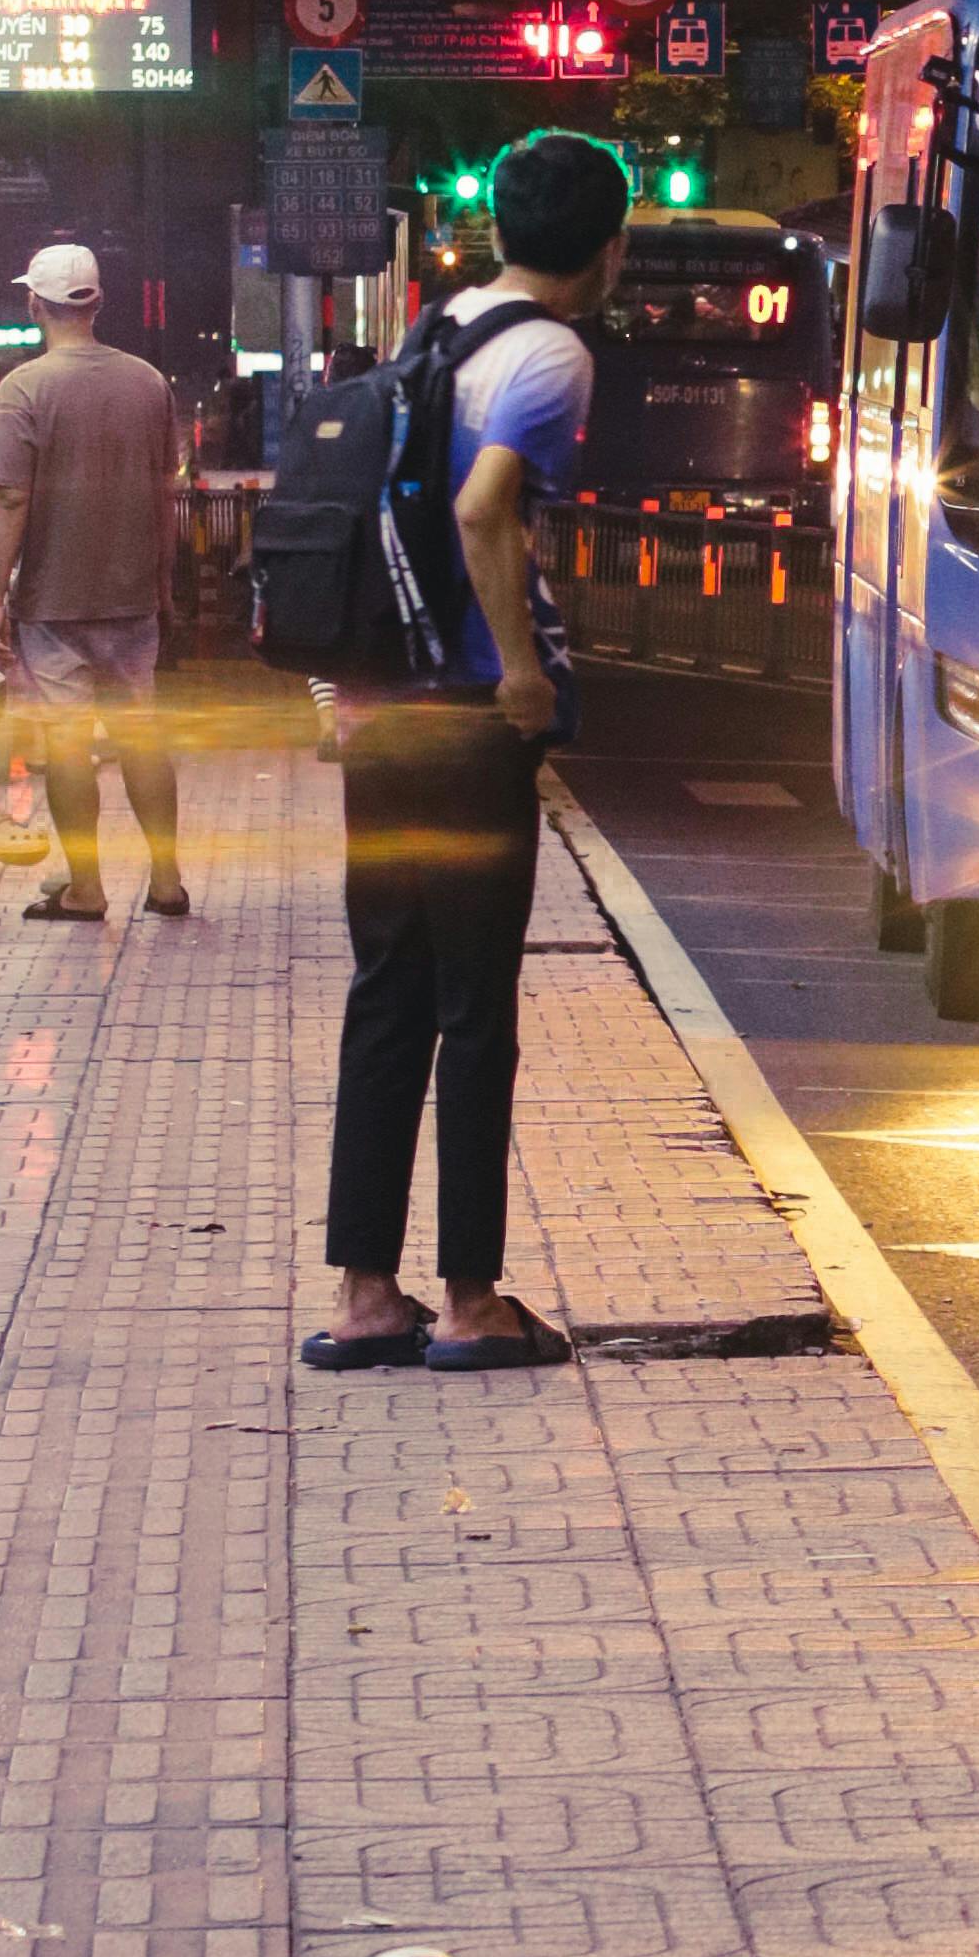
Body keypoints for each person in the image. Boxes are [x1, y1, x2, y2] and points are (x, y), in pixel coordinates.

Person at [305, 124, 627, 1382]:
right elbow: (484, 507)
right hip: (463, 718)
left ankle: (364, 1295)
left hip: (378, 711)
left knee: (385, 991)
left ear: (498, 226)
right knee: (473, 1009)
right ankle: (470, 1302)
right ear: (608, 248)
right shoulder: (550, 353)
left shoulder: (436, 328)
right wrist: (523, 675)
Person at [0, 244, 187, 921]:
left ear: (33, 304)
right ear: (97, 302)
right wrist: (162, 583)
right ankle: (166, 883)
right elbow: (164, 496)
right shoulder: (149, 383)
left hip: (52, 602)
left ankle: (87, 888)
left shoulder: (23, 389)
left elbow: (11, 498)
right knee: (142, 737)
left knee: (68, 748)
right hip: (131, 598)